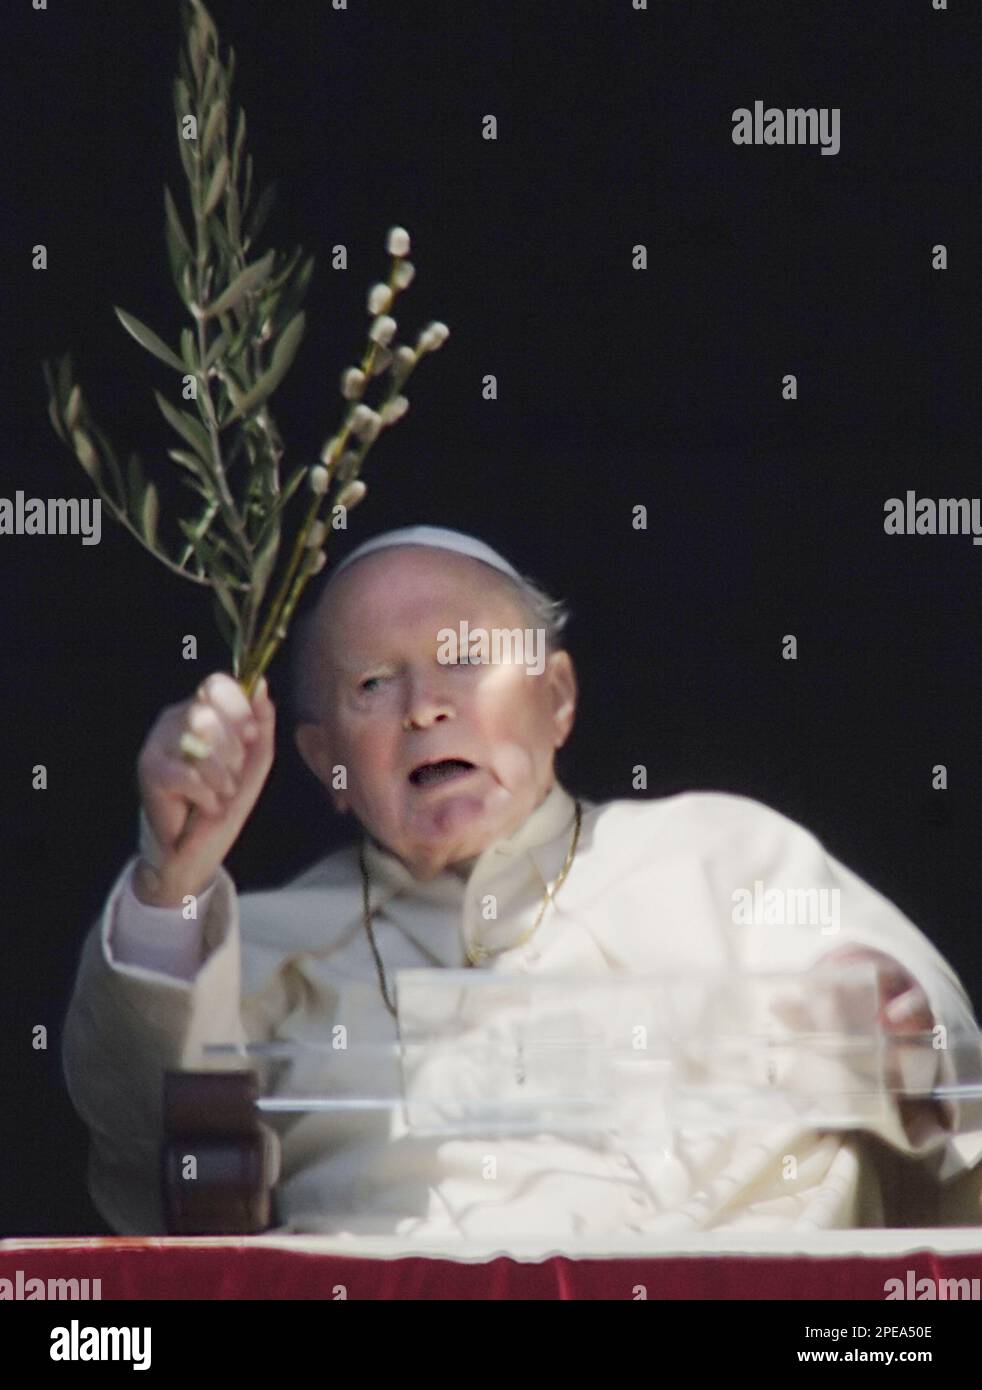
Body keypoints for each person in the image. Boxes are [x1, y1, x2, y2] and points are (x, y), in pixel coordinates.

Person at [62, 526, 982, 1246]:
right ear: (323, 762)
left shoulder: (723, 854)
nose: (426, 704)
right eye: (375, 683)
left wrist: (899, 1031)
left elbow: (943, 1074)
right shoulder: (252, 949)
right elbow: (145, 1159)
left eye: (465, 656)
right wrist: (172, 878)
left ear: (558, 698)